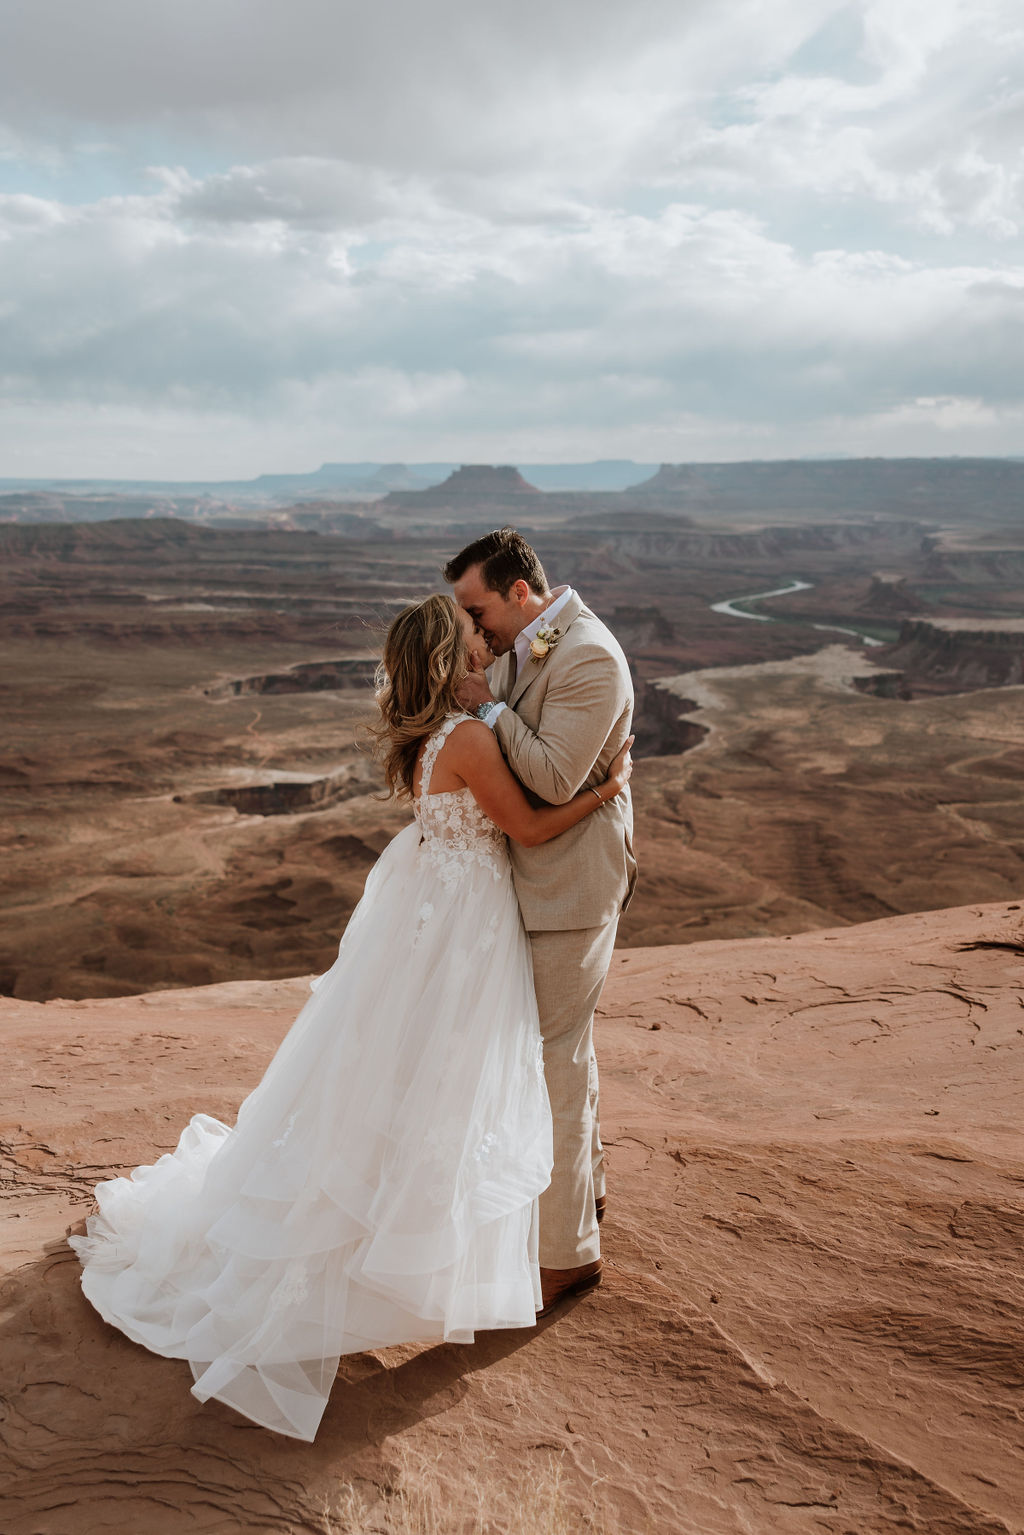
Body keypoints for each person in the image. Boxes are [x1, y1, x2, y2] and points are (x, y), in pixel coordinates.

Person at [69, 595, 632, 1443]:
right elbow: (524, 822)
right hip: (465, 929)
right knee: (457, 1076)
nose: (488, 644)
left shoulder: (430, 739)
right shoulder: (472, 737)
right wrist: (607, 789)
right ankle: (410, 1249)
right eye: (475, 637)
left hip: (437, 916)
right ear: (451, 656)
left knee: (408, 1077)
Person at [444, 529, 636, 1314]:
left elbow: (556, 776)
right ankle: (580, 1200)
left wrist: (484, 705)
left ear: (519, 591)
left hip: (570, 886)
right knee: (560, 1052)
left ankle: (566, 1256)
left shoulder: (588, 654)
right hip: (532, 883)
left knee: (554, 1061)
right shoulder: (529, 640)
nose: (471, 624)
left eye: (476, 606)